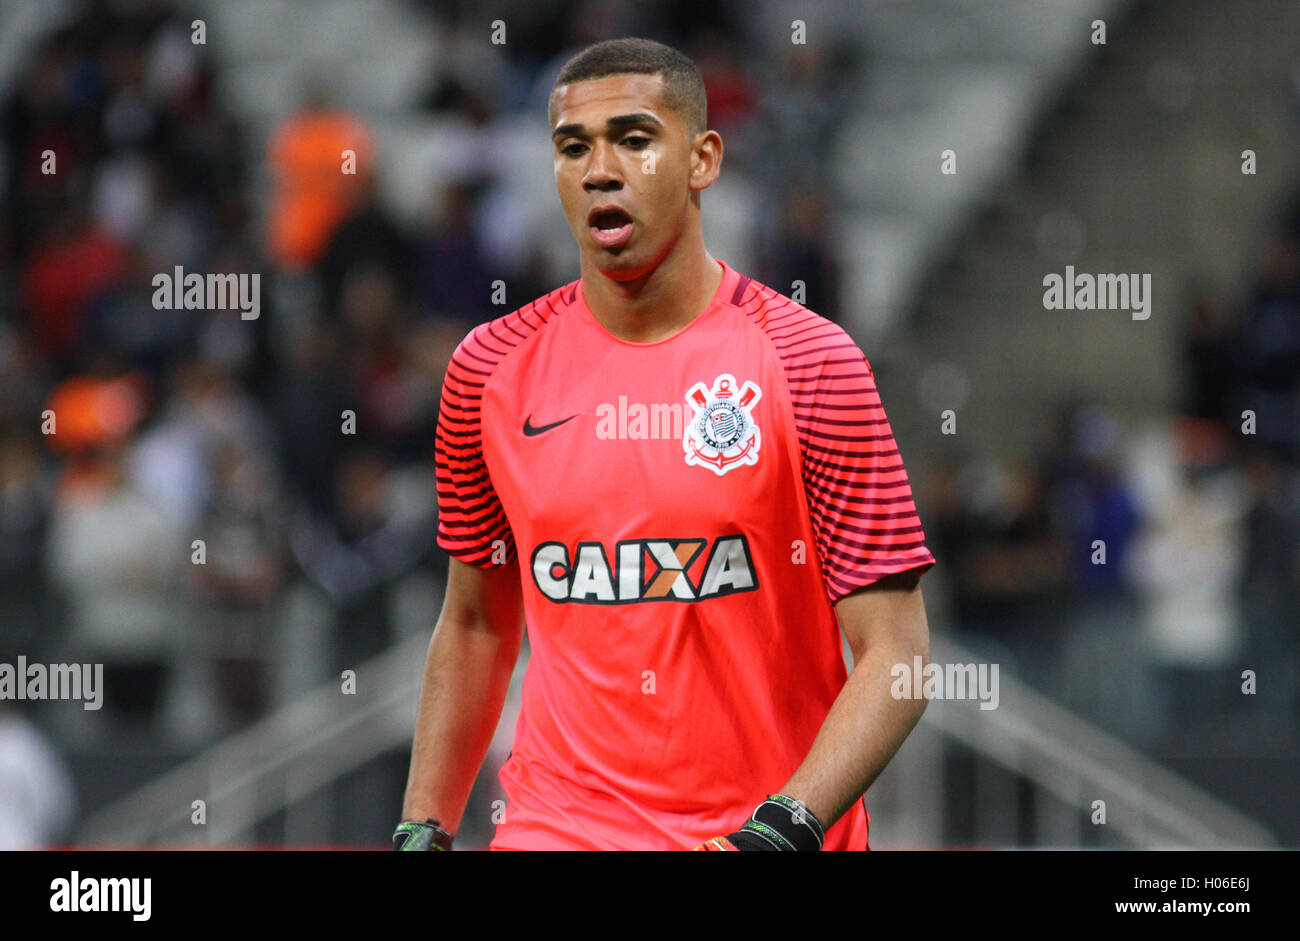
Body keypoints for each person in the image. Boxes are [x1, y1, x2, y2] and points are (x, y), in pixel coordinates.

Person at [394, 38, 935, 852]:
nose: (600, 169)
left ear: (703, 158)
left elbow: (898, 656)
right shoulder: (488, 371)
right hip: (557, 826)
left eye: (635, 138)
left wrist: (785, 827)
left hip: (761, 830)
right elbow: (475, 622)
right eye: (574, 148)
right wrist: (422, 824)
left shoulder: (811, 363)